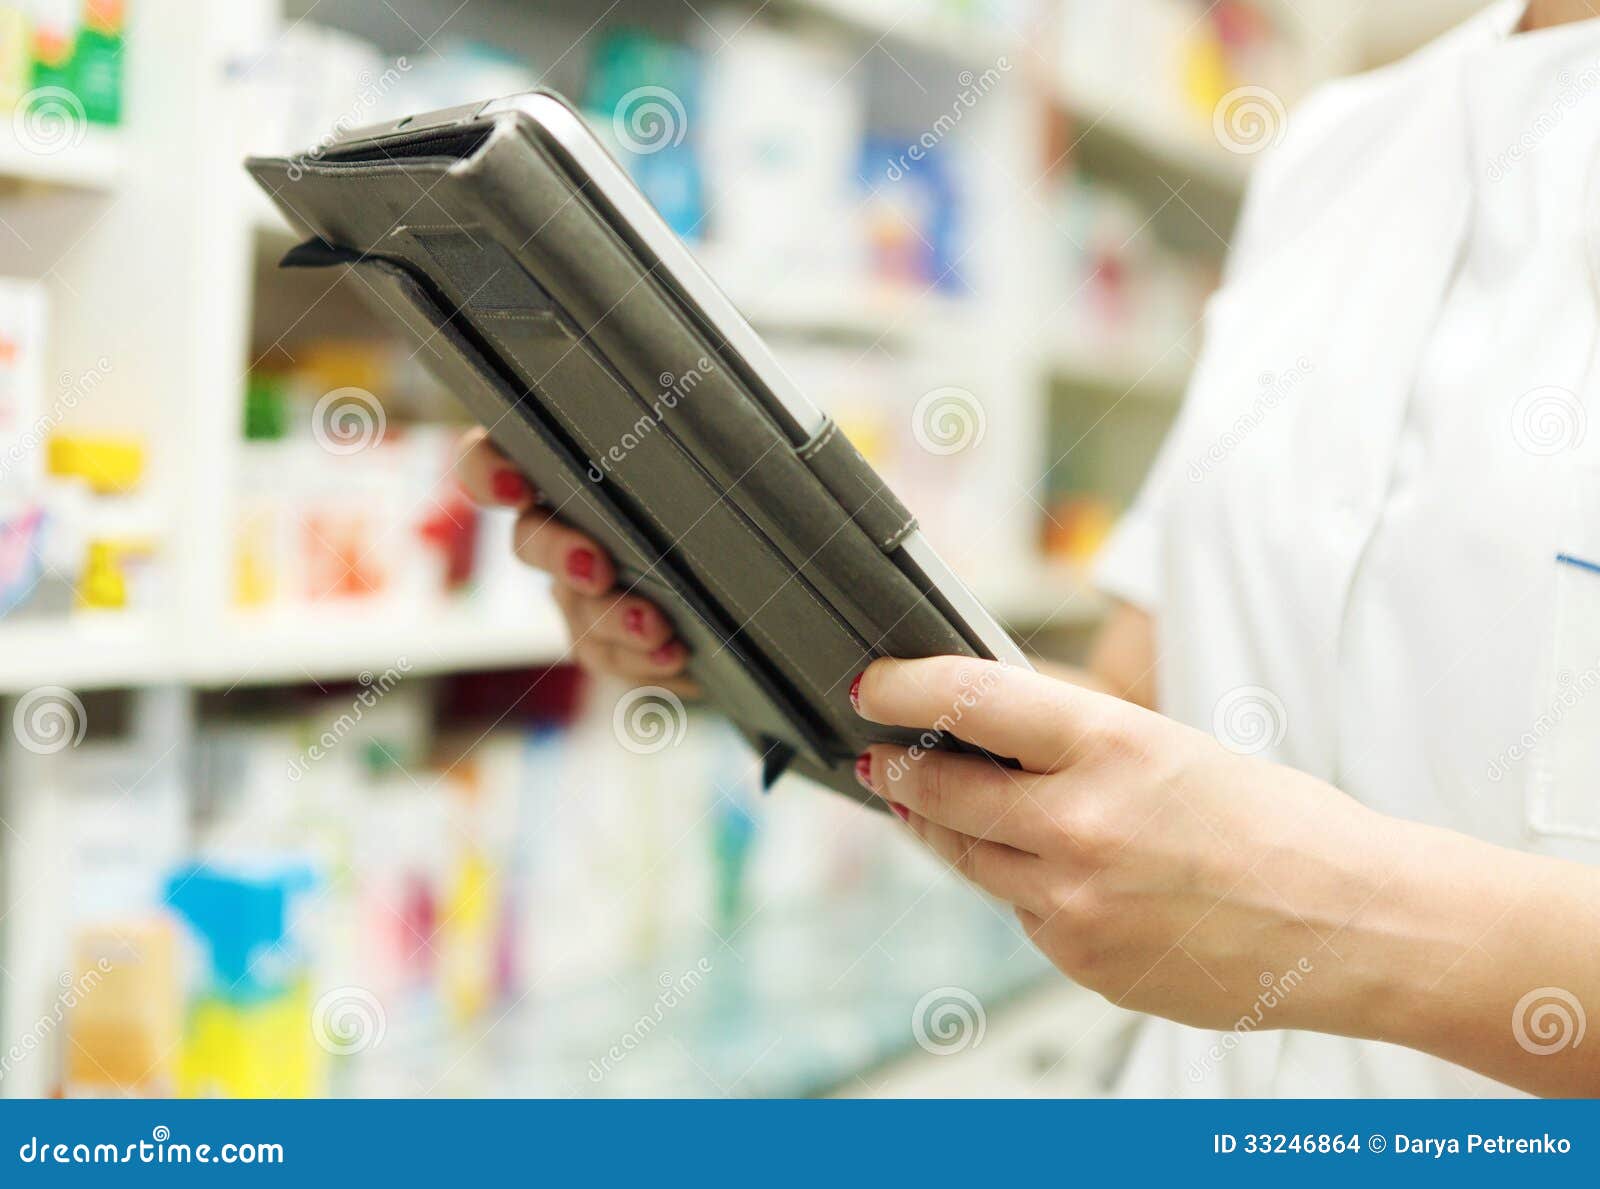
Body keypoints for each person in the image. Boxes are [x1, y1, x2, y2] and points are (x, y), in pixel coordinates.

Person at [453, 0, 1600, 1097]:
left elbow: (1255, 858)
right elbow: (1137, 716)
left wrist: (1334, 916)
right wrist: (747, 622)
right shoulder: (1336, 151)